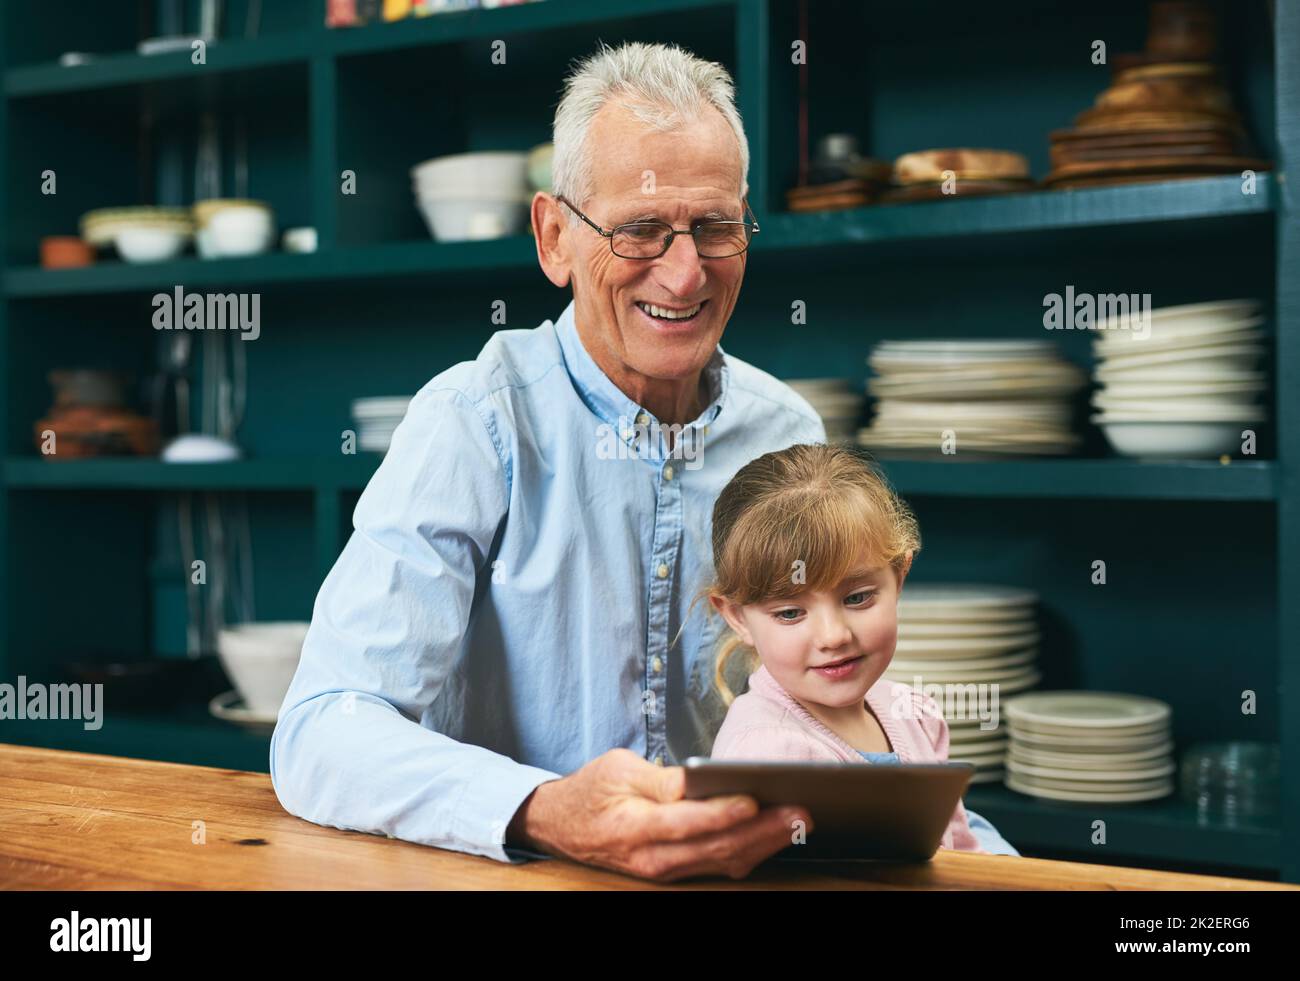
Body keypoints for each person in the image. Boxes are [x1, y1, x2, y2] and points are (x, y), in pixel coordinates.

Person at [270, 40, 827, 882]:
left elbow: (832, 695)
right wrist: (541, 810)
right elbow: (321, 728)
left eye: (714, 227)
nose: (684, 276)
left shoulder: (789, 434)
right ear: (555, 236)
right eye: (641, 229)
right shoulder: (473, 422)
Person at [706, 443, 1019, 856]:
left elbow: (962, 851)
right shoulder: (765, 754)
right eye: (789, 612)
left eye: (857, 598)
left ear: (900, 577)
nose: (833, 635)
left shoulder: (913, 712)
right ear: (738, 618)